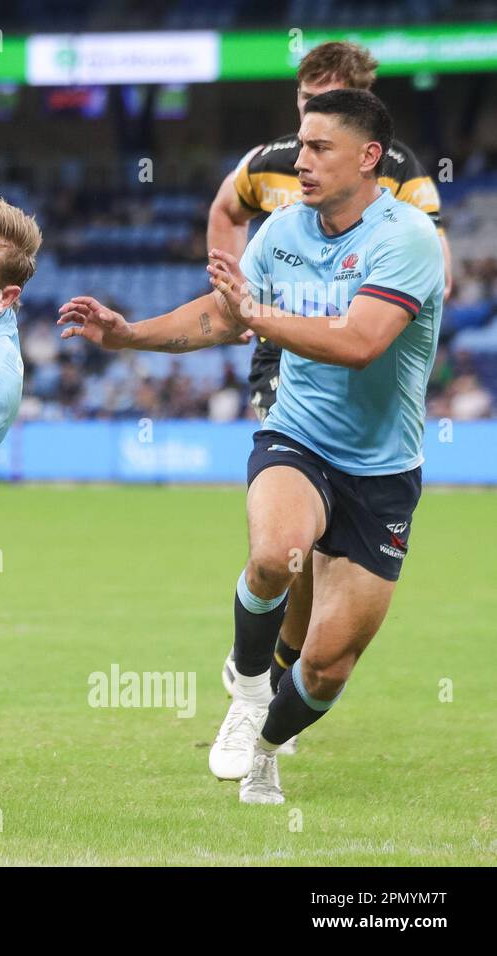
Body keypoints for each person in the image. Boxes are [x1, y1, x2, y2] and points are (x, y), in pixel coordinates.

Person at [60, 89, 443, 803]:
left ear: (368, 158)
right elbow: (219, 316)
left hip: (385, 470)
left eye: (320, 147)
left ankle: (266, 746)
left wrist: (257, 312)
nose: (302, 161)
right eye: (301, 145)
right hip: (296, 436)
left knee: (330, 666)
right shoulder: (282, 232)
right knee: (275, 555)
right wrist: (127, 334)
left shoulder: (408, 238)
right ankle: (247, 685)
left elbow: (360, 342)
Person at [208, 42, 452, 714]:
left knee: (322, 621)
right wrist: (230, 286)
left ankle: (282, 670)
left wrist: (401, 295)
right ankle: (256, 667)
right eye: (302, 104)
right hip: (288, 356)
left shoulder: (401, 180)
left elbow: (435, 266)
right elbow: (226, 212)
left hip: (366, 366)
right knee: (285, 544)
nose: (305, 135)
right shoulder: (270, 164)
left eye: (325, 104)